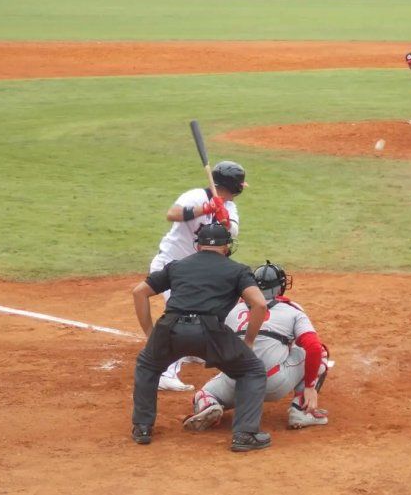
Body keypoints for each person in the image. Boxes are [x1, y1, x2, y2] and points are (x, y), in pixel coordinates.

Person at [130, 221, 272, 452]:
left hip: (171, 328)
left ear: (198, 245)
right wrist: (248, 341)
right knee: (251, 370)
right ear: (227, 247)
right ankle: (245, 434)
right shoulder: (238, 270)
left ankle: (142, 428)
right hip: (211, 332)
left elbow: (139, 292)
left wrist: (150, 334)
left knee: (148, 365)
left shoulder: (177, 266)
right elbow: (259, 304)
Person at [182, 260, 331, 433]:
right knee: (319, 352)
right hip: (273, 383)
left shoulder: (232, 310)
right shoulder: (292, 310)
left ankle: (208, 405)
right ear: (280, 287)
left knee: (205, 393)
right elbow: (313, 347)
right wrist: (310, 387)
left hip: (236, 381)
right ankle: (301, 410)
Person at [151, 160, 248, 391]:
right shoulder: (195, 196)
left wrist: (222, 216)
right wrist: (204, 209)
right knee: (180, 315)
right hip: (170, 267)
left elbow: (232, 231)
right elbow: (172, 214)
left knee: (199, 312)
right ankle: (165, 373)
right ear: (234, 186)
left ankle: (193, 349)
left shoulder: (229, 206)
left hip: (194, 273)